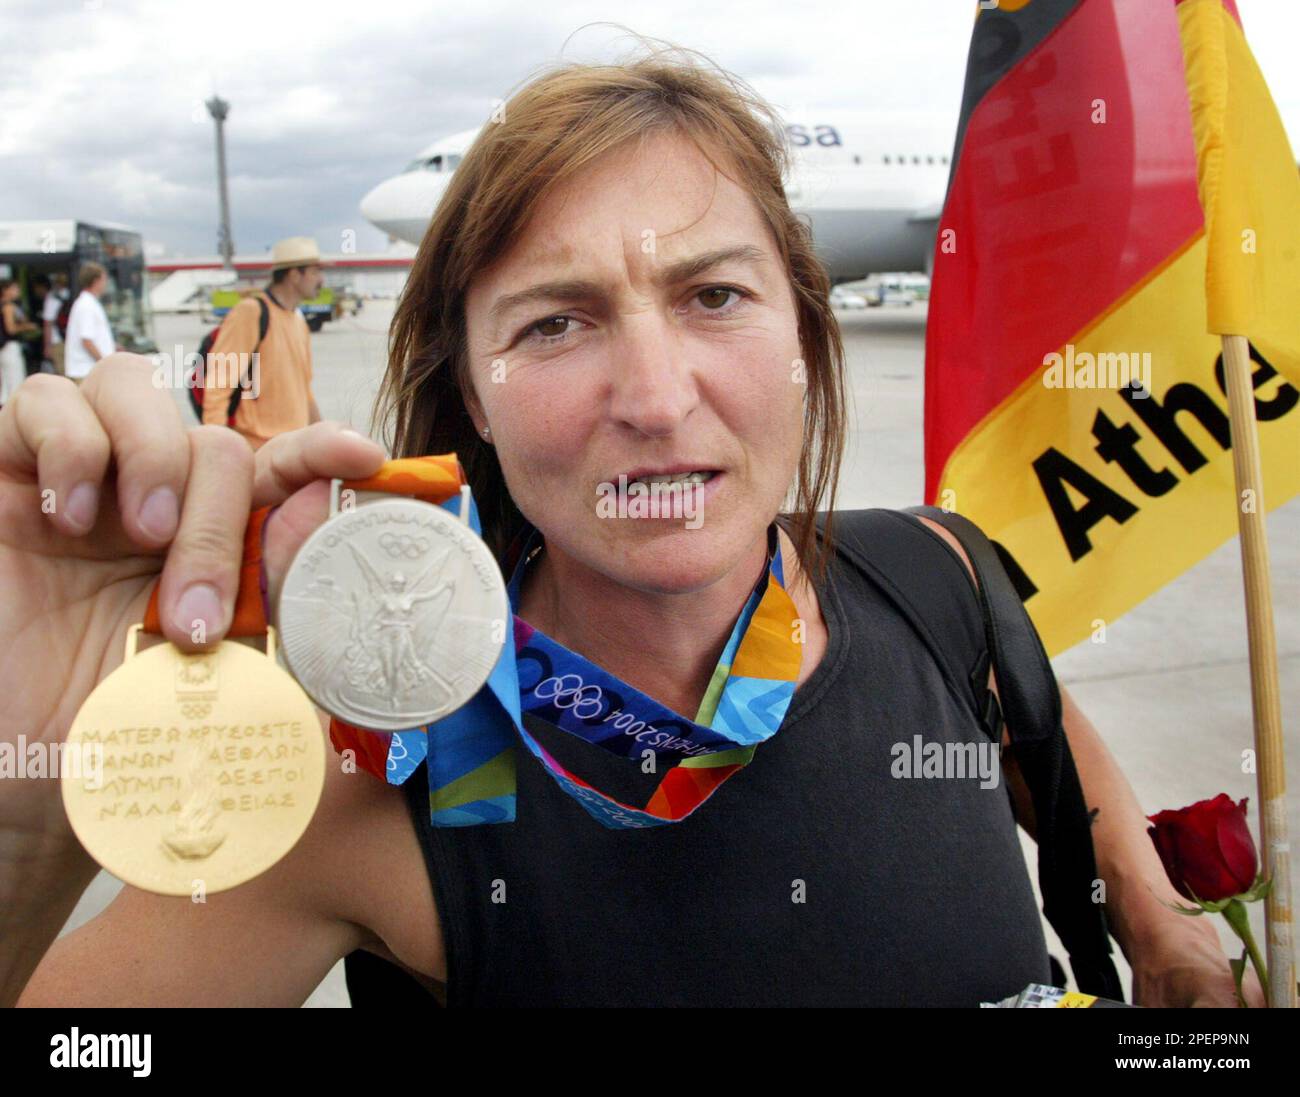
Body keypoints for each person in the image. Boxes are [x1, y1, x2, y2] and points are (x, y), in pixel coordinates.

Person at [1, 44, 1257, 1008]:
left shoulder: (932, 570)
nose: (657, 401)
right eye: (555, 322)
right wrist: (21, 813)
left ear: (805, 338)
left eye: (713, 294)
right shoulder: (380, 773)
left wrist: (1155, 926)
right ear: (474, 398)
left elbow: (1034, 719)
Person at [199, 236, 324, 449]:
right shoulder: (251, 312)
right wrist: (217, 449)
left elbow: (305, 390)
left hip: (293, 448)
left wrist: (322, 436)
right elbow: (219, 383)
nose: (321, 280)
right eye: (314, 272)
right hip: (257, 449)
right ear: (294, 275)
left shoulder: (298, 321)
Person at [63, 262, 117, 382]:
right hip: (87, 371)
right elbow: (86, 340)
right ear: (96, 281)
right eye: (104, 280)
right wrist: (104, 362)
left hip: (89, 370)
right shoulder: (86, 306)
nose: (106, 284)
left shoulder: (88, 303)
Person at [0, 280, 40, 407]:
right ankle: (13, 411)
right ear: (5, 290)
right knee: (14, 380)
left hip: (3, 348)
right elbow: (10, 328)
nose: (17, 291)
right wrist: (27, 327)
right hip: (9, 347)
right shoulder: (8, 306)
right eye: (14, 288)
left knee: (5, 384)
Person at [40, 273, 69, 376]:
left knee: (62, 374)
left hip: (57, 341)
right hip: (73, 340)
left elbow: (48, 323)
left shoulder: (52, 297)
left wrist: (47, 346)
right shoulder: (74, 293)